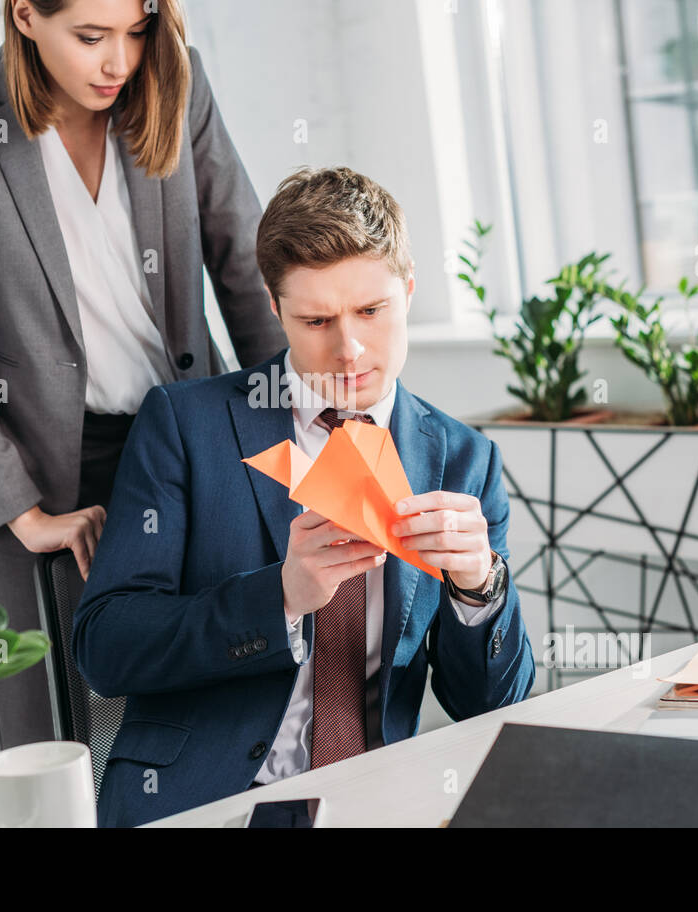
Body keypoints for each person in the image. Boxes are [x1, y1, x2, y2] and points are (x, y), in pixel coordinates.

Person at [73, 166, 536, 827]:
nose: (348, 350)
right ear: (273, 306)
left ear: (407, 289)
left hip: (378, 803)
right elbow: (105, 647)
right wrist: (279, 596)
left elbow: (491, 702)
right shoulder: (185, 424)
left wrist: (478, 587)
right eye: (316, 319)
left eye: (371, 311)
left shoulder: (463, 459)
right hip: (207, 800)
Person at [0, 0, 285, 751]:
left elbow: (244, 264)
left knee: (211, 712)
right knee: (50, 736)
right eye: (90, 36)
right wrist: (17, 506)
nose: (119, 62)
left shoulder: (176, 82)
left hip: (184, 438)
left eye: (135, 32)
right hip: (37, 455)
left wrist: (302, 422)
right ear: (24, 16)